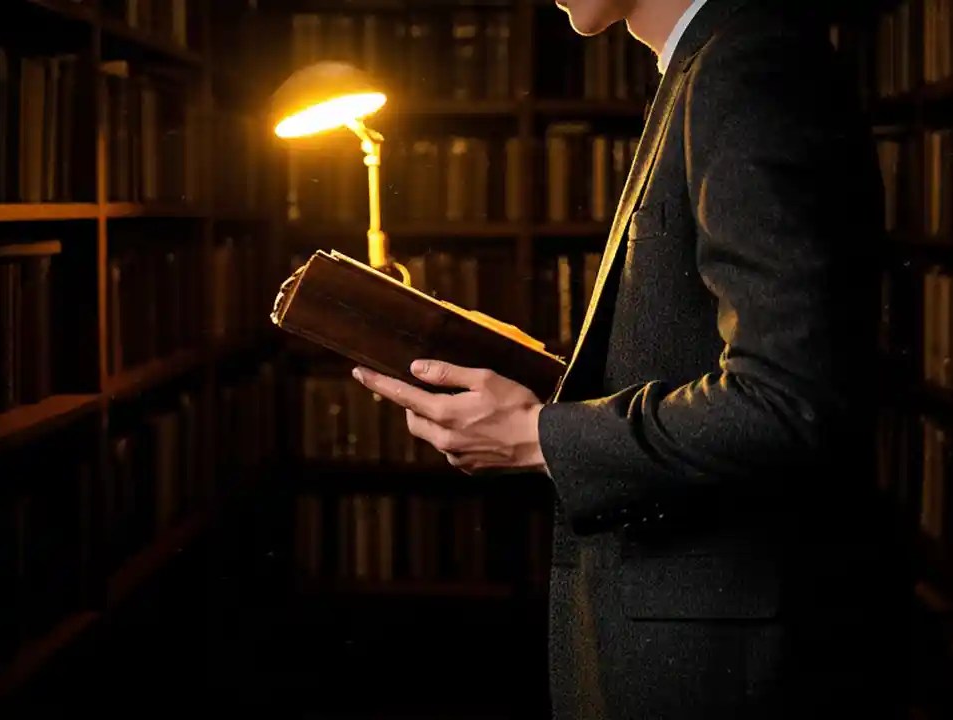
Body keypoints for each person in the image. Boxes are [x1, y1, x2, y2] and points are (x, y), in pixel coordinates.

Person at [350, 0, 912, 716]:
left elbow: (786, 398)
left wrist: (538, 436)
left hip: (721, 666)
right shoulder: (706, 63)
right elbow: (710, 359)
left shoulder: (746, 65)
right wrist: (541, 379)